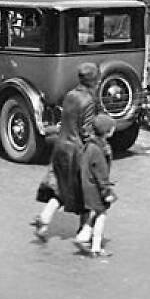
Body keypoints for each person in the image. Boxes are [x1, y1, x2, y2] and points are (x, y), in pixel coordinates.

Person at [32, 63, 100, 241]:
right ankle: (84, 231)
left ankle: (45, 218)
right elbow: (86, 131)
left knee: (59, 189)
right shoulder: (89, 101)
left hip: (60, 146)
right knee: (86, 190)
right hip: (76, 151)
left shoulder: (70, 95)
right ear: (94, 81)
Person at [76, 113, 117, 257]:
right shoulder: (99, 150)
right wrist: (107, 192)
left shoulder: (90, 146)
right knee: (101, 214)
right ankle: (95, 246)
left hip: (86, 185)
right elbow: (101, 173)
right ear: (107, 131)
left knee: (95, 213)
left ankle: (84, 236)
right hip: (94, 188)